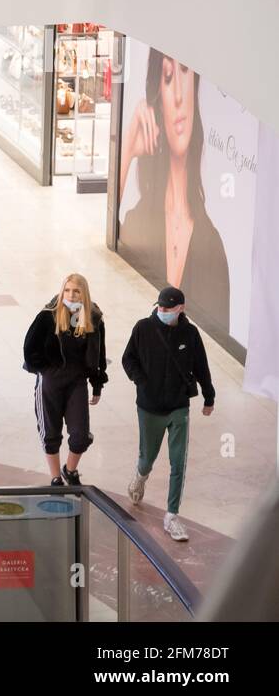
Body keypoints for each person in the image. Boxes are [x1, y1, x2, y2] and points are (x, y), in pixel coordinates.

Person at [118, 50, 230, 336]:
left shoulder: (213, 248)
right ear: (158, 98)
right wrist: (128, 149)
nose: (179, 96)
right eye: (168, 78)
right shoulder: (137, 222)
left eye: (184, 73)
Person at [121, 285, 216, 542]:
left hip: (178, 407)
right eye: (159, 306)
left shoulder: (190, 334)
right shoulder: (143, 328)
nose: (161, 311)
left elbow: (201, 367)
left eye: (167, 308)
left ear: (180, 309)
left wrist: (209, 396)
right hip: (149, 407)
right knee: (147, 457)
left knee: (178, 462)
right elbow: (128, 359)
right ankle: (141, 476)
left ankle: (172, 516)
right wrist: (141, 380)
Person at [23, 273, 108, 488]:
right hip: (50, 380)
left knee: (80, 435)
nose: (71, 295)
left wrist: (97, 383)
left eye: (76, 291)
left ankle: (70, 470)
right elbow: (29, 348)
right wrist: (44, 369)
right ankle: (55, 478)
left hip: (76, 381)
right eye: (68, 290)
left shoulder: (93, 318)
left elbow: (99, 354)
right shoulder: (48, 316)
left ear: (84, 294)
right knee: (50, 432)